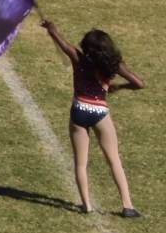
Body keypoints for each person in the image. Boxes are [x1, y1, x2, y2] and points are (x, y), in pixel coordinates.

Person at [39, 19, 144, 217]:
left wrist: (51, 29)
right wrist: (119, 87)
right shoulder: (113, 64)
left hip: (79, 110)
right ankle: (127, 205)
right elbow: (139, 83)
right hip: (100, 111)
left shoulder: (78, 58)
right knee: (114, 160)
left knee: (81, 162)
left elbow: (62, 43)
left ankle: (86, 205)